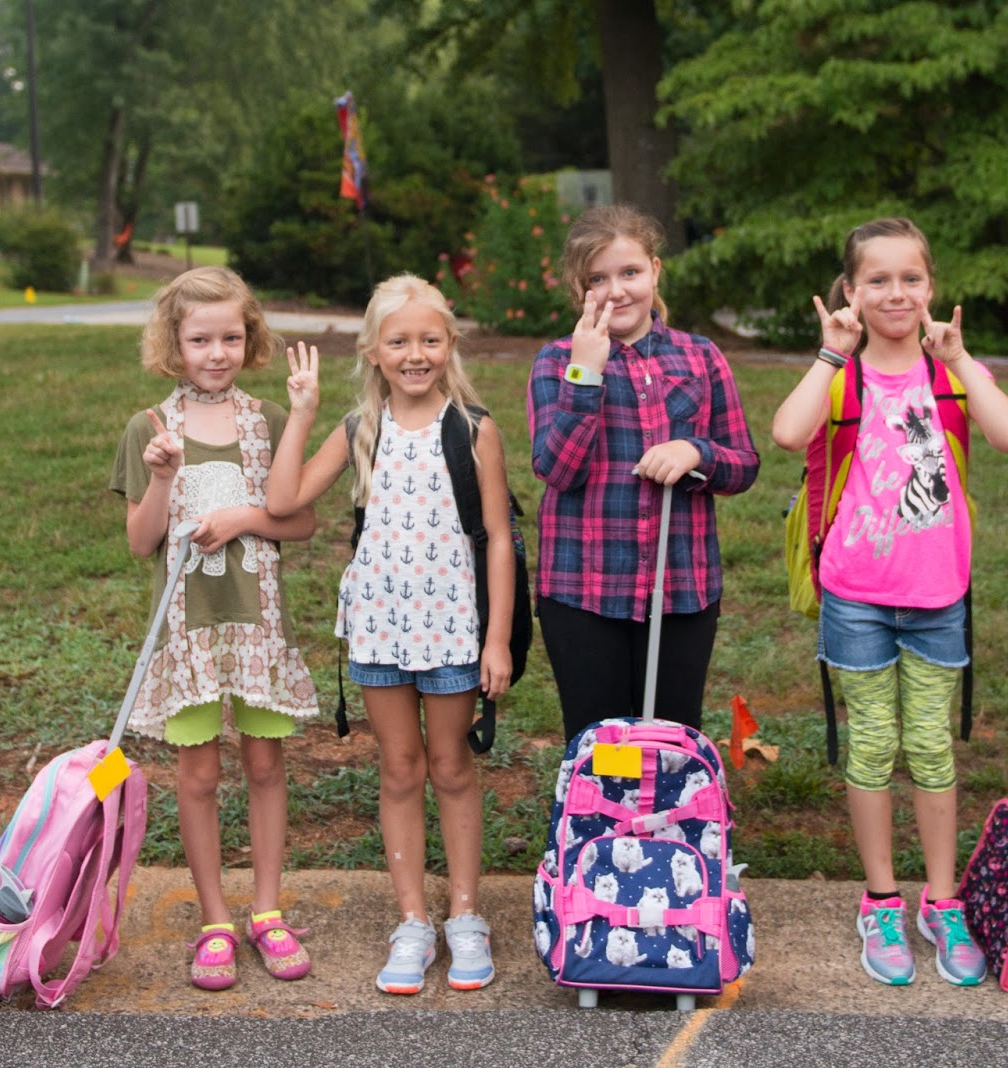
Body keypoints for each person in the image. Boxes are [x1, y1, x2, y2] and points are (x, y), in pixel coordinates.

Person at [771, 218, 1008, 987]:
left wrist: (962, 362)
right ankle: (882, 897)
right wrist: (830, 353)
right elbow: (787, 432)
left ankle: (941, 900)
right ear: (849, 291)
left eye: (910, 279)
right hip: (856, 596)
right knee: (873, 746)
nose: (894, 293)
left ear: (931, 288)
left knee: (931, 747)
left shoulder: (948, 374)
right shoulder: (842, 375)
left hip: (936, 595)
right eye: (876, 280)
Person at [264, 274, 514, 996]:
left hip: (453, 632)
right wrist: (302, 413)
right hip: (378, 629)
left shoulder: (472, 429)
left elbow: (498, 537)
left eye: (429, 340)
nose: (415, 354)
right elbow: (283, 501)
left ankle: (465, 915)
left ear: (450, 345)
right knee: (399, 770)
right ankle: (413, 920)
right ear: (374, 351)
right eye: (399, 341)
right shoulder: (358, 430)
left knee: (453, 768)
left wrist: (496, 640)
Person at [109, 266, 320, 991]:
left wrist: (245, 517)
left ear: (250, 337)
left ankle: (266, 910)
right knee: (197, 775)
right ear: (174, 342)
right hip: (189, 634)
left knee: (265, 766)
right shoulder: (151, 427)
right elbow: (141, 543)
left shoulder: (263, 418)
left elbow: (303, 518)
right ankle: (214, 919)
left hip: (257, 626)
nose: (217, 352)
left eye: (231, 336)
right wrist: (163, 476)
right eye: (201, 339)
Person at [528, 205, 760, 743]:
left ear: (655, 270)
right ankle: (603, 826)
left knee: (671, 741)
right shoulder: (556, 360)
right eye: (598, 279)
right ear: (579, 288)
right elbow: (556, 470)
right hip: (583, 592)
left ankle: (667, 827)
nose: (617, 291)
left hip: (681, 589)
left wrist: (697, 452)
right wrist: (586, 373)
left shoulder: (700, 357)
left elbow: (743, 464)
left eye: (629, 273)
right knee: (601, 743)